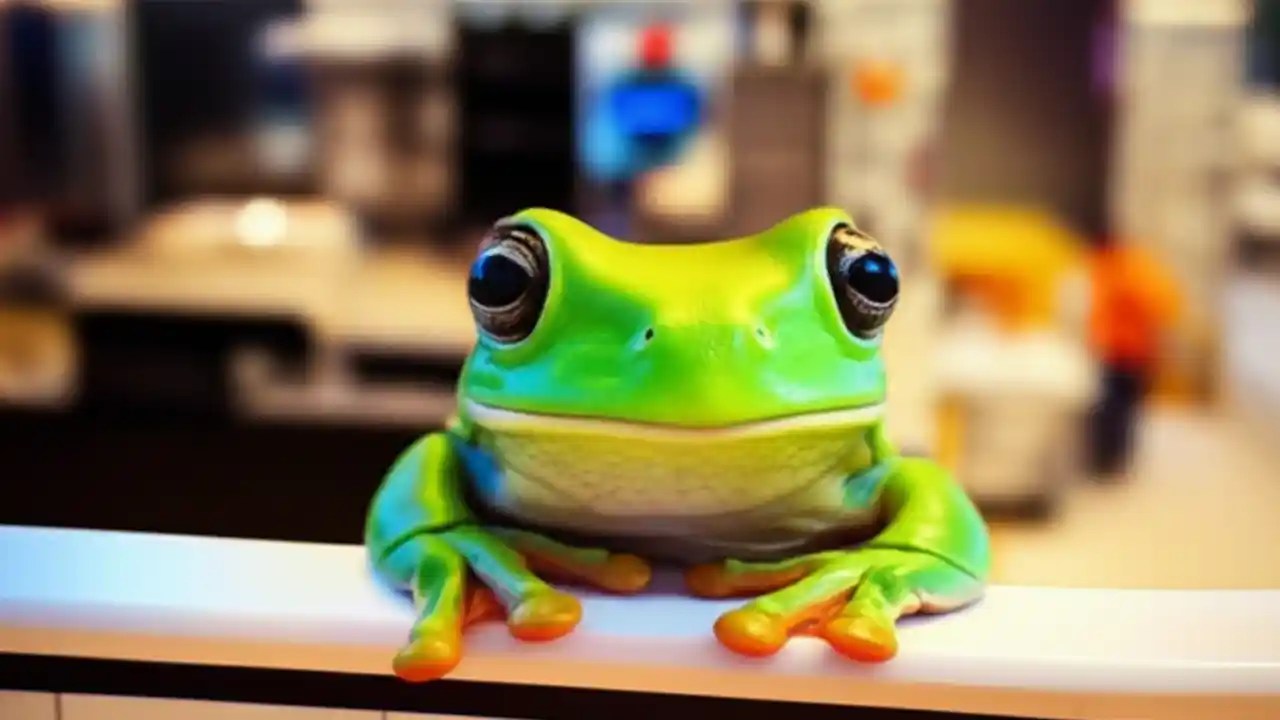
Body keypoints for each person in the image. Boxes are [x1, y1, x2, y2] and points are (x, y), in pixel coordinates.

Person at [1085, 238, 1182, 479]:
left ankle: (1110, 460)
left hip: (1126, 352)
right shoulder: (1133, 269)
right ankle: (1111, 459)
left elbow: (1161, 308)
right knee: (1118, 409)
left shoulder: (1124, 272)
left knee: (1116, 408)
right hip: (1123, 351)